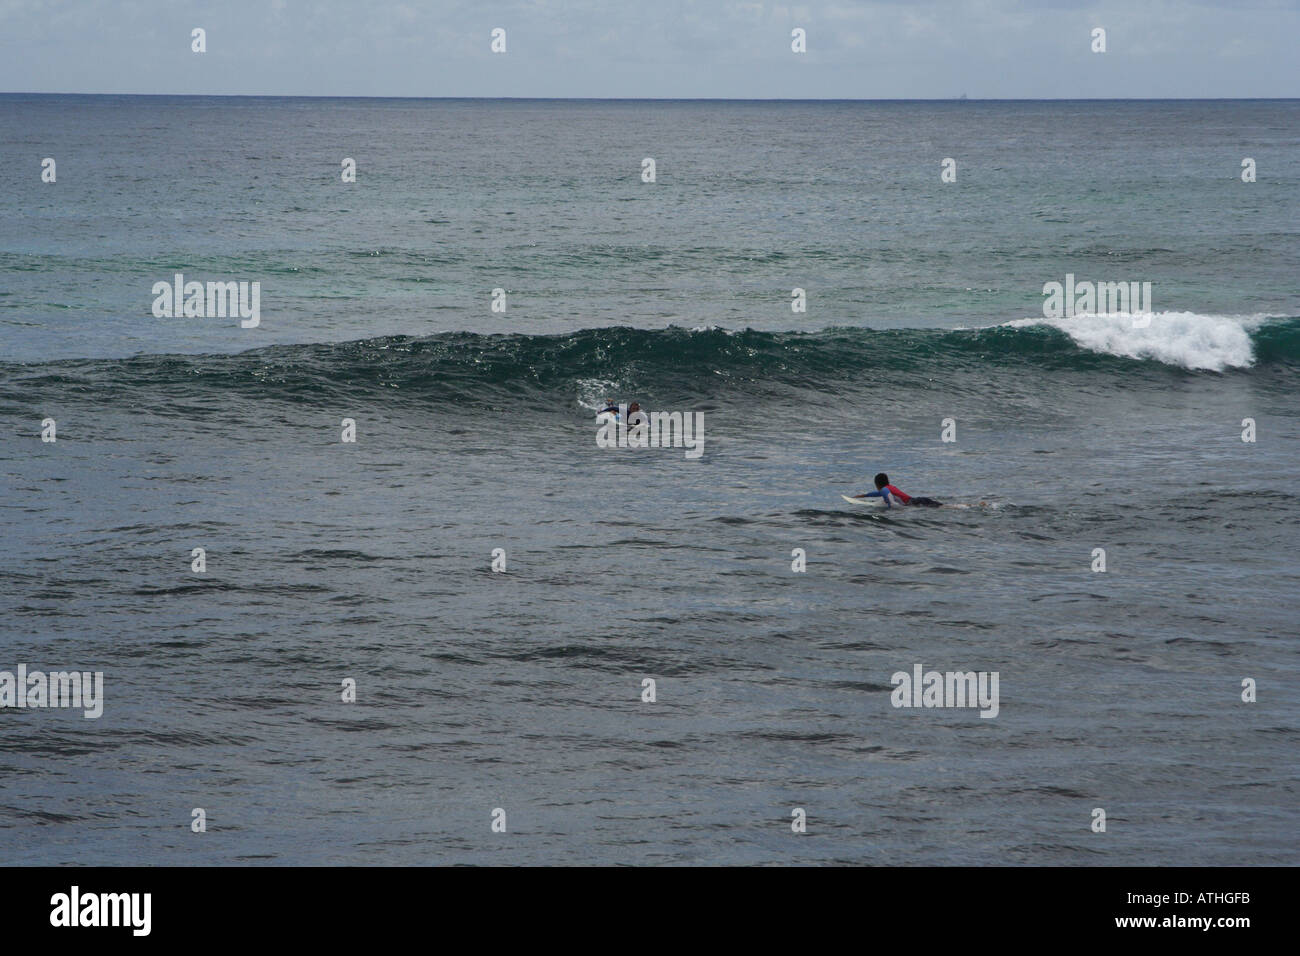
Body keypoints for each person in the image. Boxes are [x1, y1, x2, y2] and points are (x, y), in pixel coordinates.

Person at [854, 472, 942, 509]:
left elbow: (889, 497)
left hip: (914, 503)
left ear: (877, 484)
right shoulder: (889, 487)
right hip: (917, 500)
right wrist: (859, 496)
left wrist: (891, 507)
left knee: (940, 507)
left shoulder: (885, 490)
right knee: (942, 506)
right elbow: (872, 494)